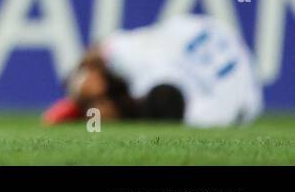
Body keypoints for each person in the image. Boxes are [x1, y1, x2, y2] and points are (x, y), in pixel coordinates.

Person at [43, 14, 264, 127]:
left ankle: (83, 105)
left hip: (217, 42)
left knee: (100, 102)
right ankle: (81, 101)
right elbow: (98, 52)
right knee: (91, 86)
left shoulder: (207, 114)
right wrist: (80, 76)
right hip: (203, 34)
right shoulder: (145, 60)